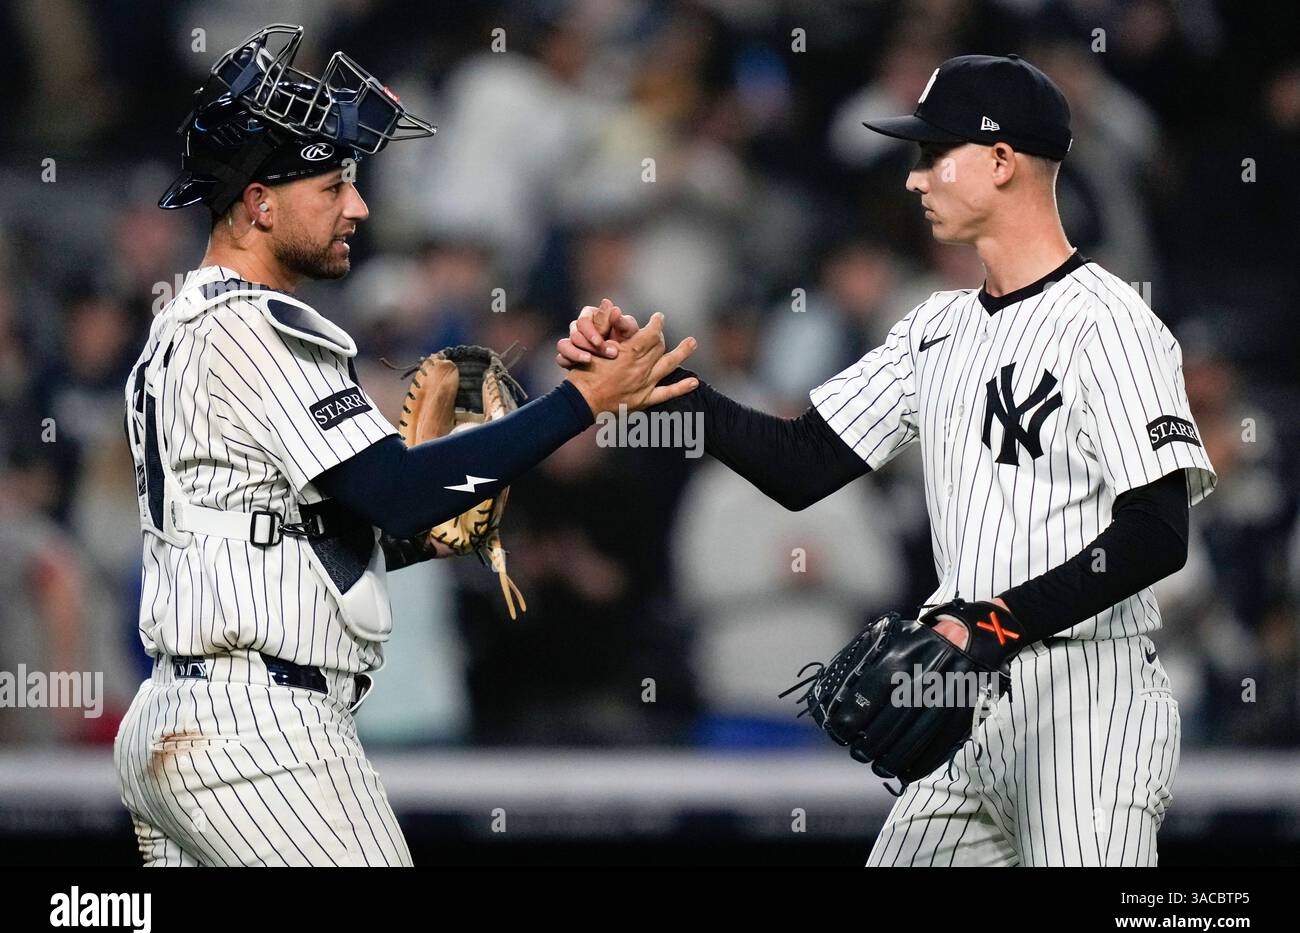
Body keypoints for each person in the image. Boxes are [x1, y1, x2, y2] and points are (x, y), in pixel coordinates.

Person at [558, 54, 1217, 866]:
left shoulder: (1112, 323)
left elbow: (1156, 534)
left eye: (933, 154)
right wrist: (658, 387)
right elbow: (801, 464)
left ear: (1002, 160)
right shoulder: (931, 327)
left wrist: (995, 622)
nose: (914, 179)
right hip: (964, 690)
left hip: (1088, 699)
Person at [113, 24, 695, 867]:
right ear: (259, 202)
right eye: (331, 184)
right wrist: (579, 402)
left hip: (186, 719)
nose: (359, 206)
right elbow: (402, 494)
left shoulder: (182, 326)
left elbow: (357, 526)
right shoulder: (255, 325)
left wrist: (521, 438)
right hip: (256, 736)